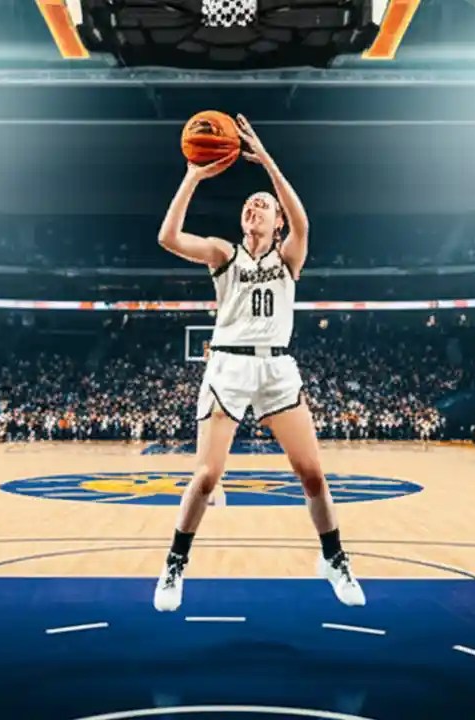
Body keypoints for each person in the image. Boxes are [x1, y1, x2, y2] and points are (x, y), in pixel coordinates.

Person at [152, 113, 364, 611]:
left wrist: (266, 161)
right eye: (250, 204)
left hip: (276, 370)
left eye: (264, 205)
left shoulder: (290, 257)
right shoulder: (224, 254)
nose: (255, 207)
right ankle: (174, 563)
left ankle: (332, 558)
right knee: (206, 476)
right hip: (227, 365)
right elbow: (167, 236)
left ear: (278, 221)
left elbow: (305, 221)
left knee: (312, 474)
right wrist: (192, 175)